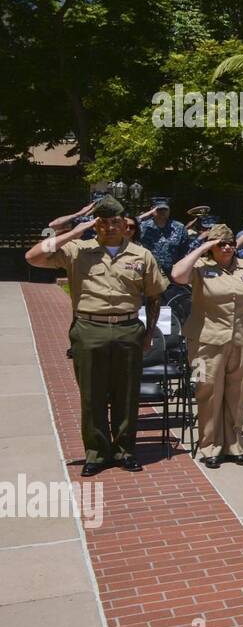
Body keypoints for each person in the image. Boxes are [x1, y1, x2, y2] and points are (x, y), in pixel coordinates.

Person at [25, 196, 167, 475]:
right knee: (92, 395)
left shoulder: (142, 255)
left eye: (116, 222)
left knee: (127, 395)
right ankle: (97, 453)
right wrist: (78, 230)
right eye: (103, 222)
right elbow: (33, 257)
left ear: (125, 225)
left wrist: (149, 333)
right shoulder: (77, 249)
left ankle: (125, 450)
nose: (110, 227)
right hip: (90, 329)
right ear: (95, 225)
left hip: (128, 330)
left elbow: (154, 297)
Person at [170, 224, 243, 468]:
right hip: (205, 342)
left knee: (238, 394)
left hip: (242, 340)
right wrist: (202, 247)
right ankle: (210, 446)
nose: (226, 247)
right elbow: (177, 276)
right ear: (211, 247)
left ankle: (234, 445)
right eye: (220, 244)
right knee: (208, 392)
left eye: (230, 243)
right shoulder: (200, 267)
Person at [137, 197, 190, 279]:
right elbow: (126, 224)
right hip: (148, 273)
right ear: (152, 210)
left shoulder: (179, 227)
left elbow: (185, 250)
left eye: (165, 209)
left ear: (169, 210)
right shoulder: (142, 227)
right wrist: (145, 215)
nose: (162, 212)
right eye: (159, 209)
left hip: (172, 274)